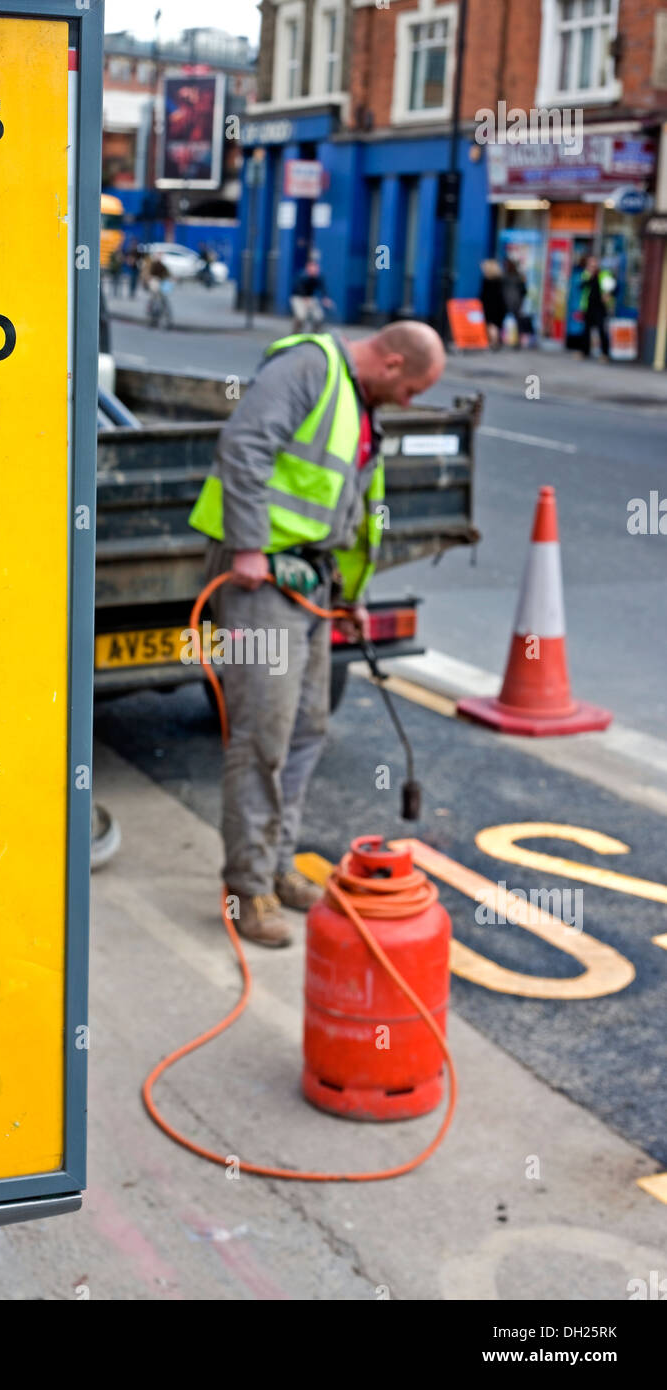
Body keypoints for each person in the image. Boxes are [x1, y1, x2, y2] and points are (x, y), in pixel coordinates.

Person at [188, 322, 447, 947]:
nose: (409, 402)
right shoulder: (309, 368)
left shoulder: (360, 407)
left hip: (309, 584)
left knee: (307, 730)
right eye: (411, 389)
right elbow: (245, 444)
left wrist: (349, 596)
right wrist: (248, 545)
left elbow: (347, 511)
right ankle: (247, 890)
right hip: (259, 581)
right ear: (389, 362)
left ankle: (276, 866)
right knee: (262, 739)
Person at [580, 256, 615, 361]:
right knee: (586, 330)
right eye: (590, 264)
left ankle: (605, 354)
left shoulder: (604, 274)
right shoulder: (586, 274)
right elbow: (582, 286)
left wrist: (608, 295)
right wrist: (590, 275)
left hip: (600, 307)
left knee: (601, 330)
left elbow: (612, 287)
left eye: (594, 264)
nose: (592, 266)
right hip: (588, 306)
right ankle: (584, 352)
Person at [290, 258, 333, 331]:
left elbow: (323, 288)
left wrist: (326, 299)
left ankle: (314, 334)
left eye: (315, 267)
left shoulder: (319, 277)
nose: (314, 269)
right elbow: (299, 289)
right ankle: (295, 333)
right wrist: (305, 299)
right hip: (298, 298)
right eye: (312, 267)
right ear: (307, 268)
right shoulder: (302, 276)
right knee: (301, 316)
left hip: (311, 297)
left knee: (319, 317)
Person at [479, 259, 506, 348]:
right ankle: (495, 342)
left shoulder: (487, 281)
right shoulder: (500, 280)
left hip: (490, 306)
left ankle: (493, 342)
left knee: (491, 325)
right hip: (500, 305)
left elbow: (484, 295)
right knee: (495, 325)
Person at [501, 258, 527, 347]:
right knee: (518, 321)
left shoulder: (504, 276)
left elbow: (501, 289)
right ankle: (518, 341)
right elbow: (524, 290)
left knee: (502, 320)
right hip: (517, 301)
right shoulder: (519, 277)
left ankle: (500, 340)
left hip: (505, 300)